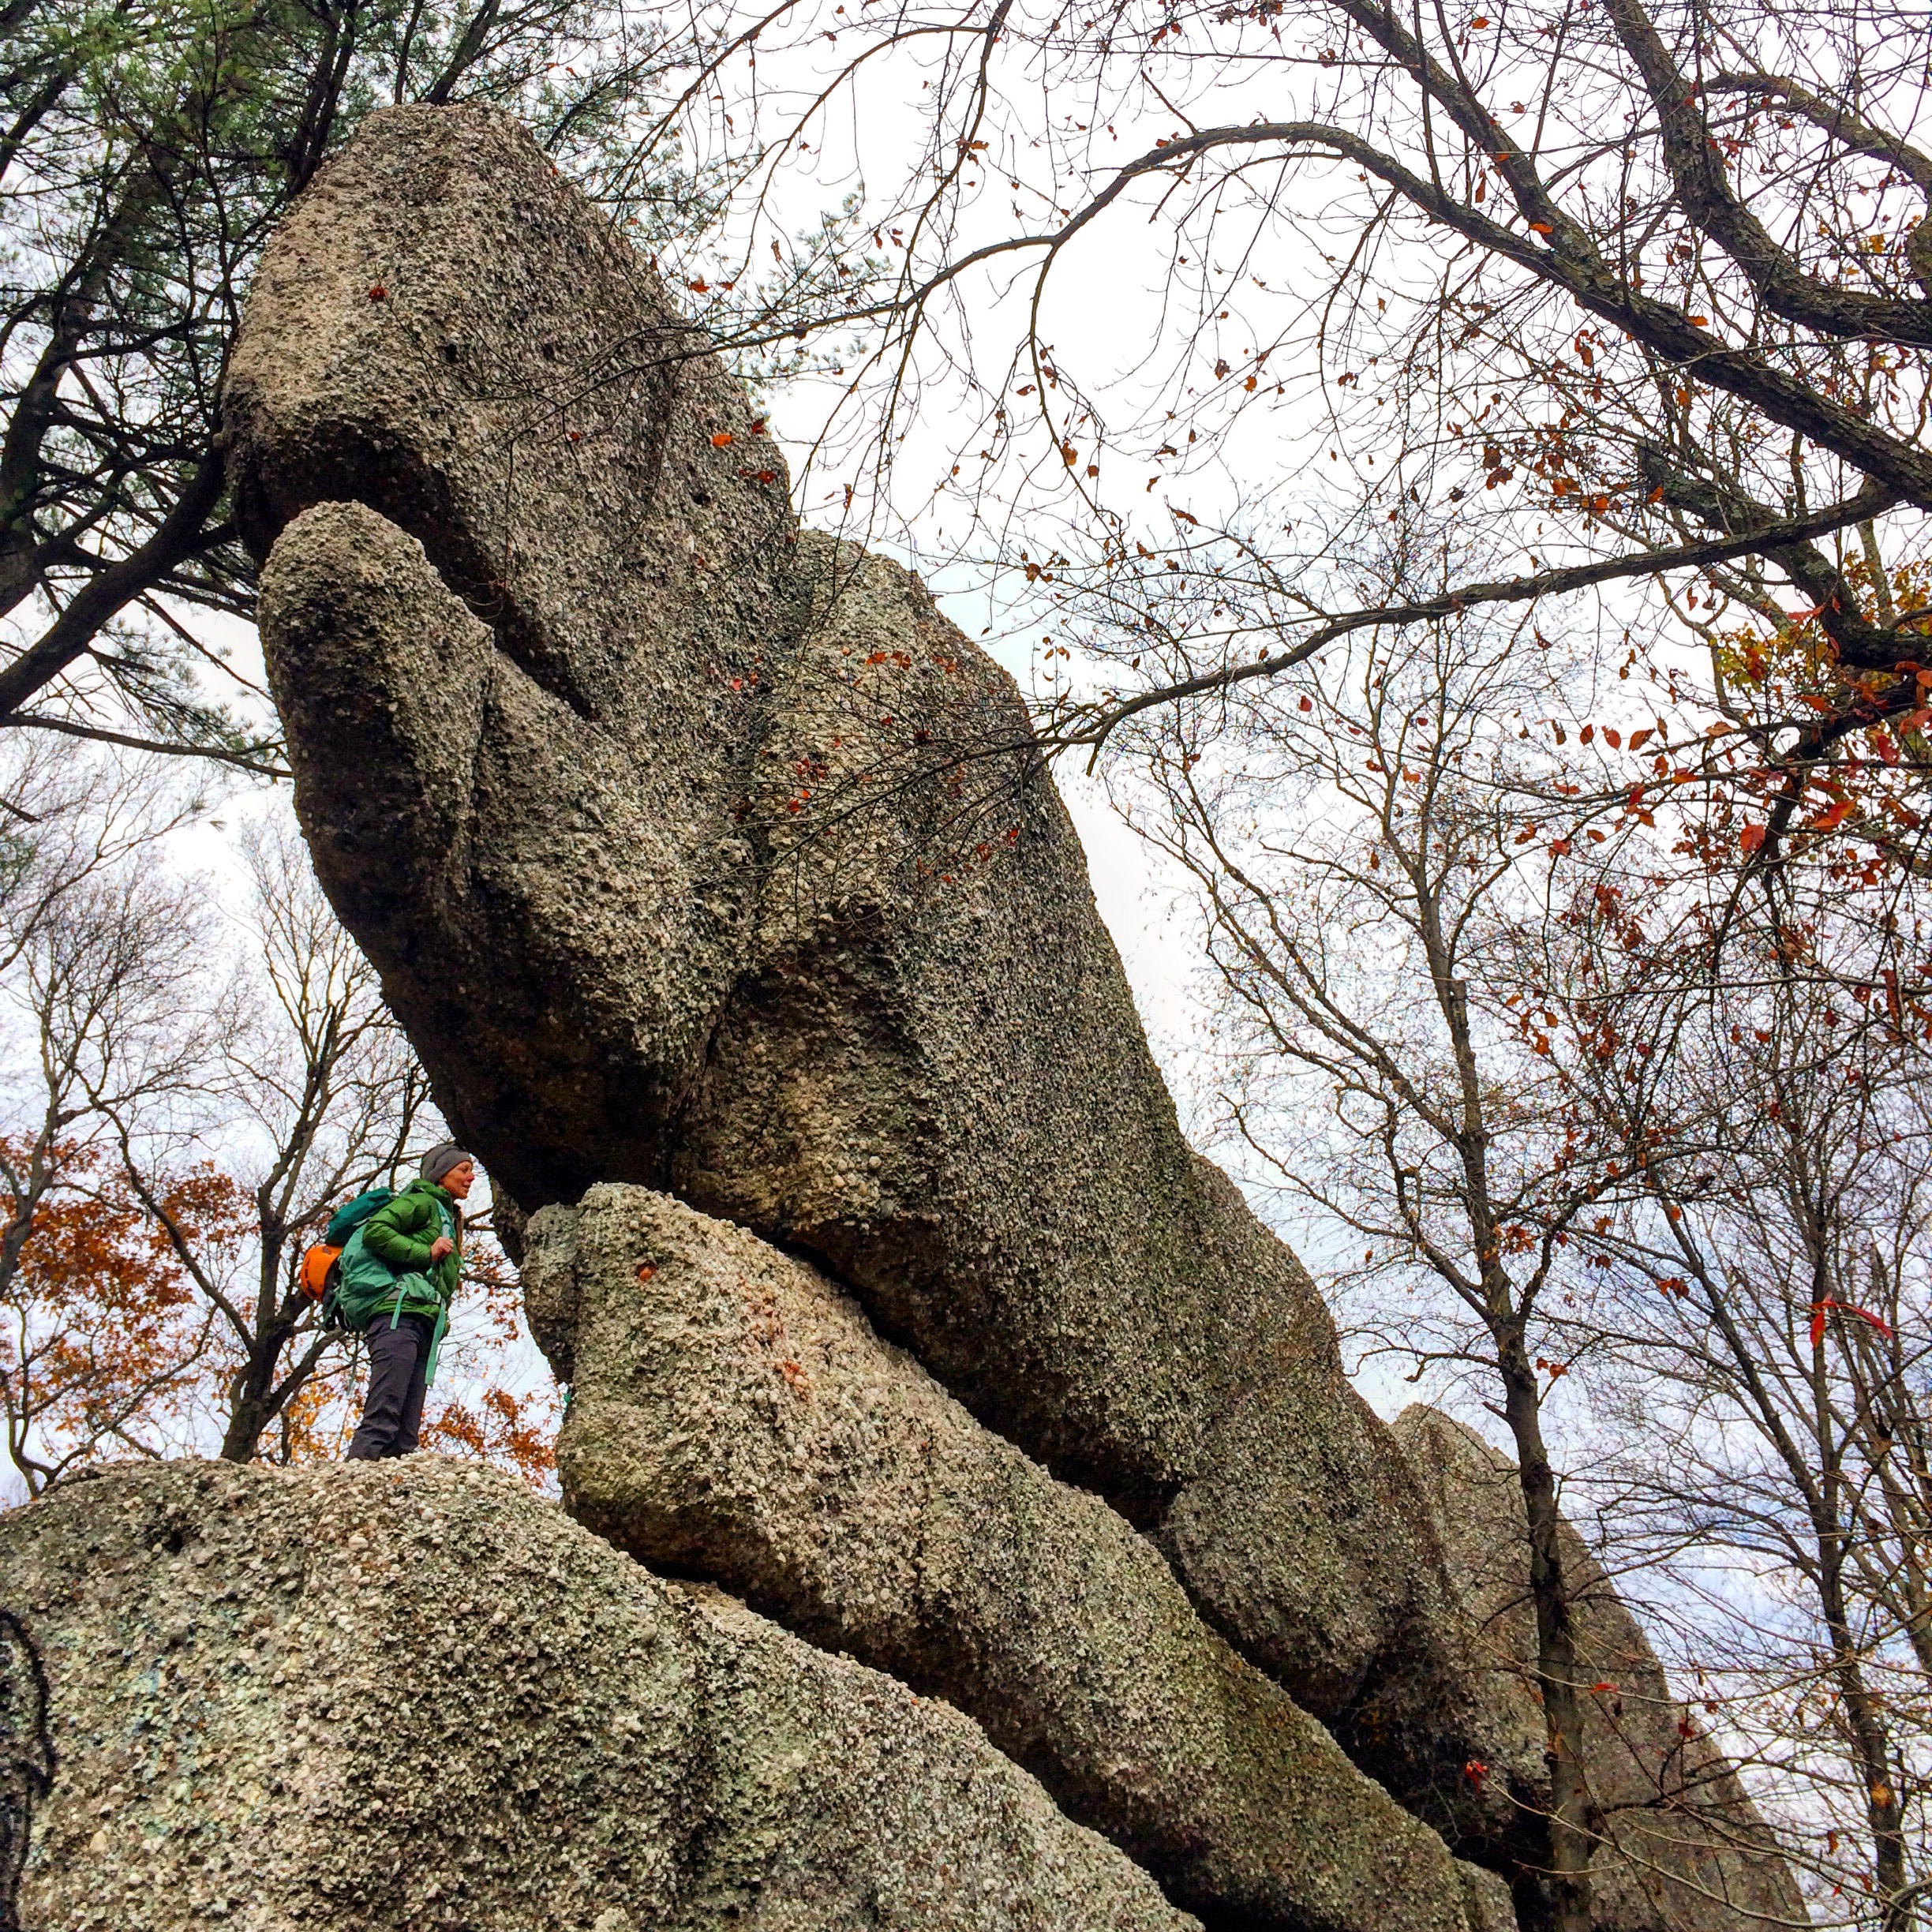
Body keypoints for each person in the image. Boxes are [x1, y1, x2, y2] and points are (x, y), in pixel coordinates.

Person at [343, 1143, 475, 1461]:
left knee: (406, 1432)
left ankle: (389, 1495)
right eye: (464, 1170)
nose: (471, 1178)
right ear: (442, 1175)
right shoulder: (421, 1201)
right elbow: (377, 1230)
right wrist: (425, 1252)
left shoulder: (448, 1216)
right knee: (384, 1415)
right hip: (397, 1315)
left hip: (423, 1320)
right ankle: (352, 1484)